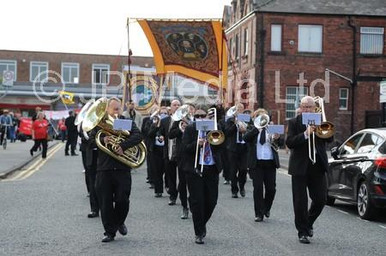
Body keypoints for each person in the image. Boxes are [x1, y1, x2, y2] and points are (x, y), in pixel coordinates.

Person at [89, 97, 143, 243]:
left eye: (118, 108)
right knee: (105, 202)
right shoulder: (99, 124)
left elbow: (138, 136)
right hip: (104, 169)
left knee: (122, 199)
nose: (116, 111)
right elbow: (90, 140)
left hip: (122, 168)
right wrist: (101, 140)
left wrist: (123, 146)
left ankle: (119, 221)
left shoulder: (126, 121)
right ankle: (109, 232)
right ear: (107, 109)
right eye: (113, 108)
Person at [286, 96, 333, 244]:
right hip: (299, 167)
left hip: (317, 166)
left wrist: (322, 128)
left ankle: (308, 222)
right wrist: (306, 134)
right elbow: (290, 142)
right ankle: (302, 232)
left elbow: (329, 139)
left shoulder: (320, 121)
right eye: (304, 106)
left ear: (315, 108)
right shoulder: (294, 122)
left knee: (320, 199)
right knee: (300, 201)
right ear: (300, 108)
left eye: (310, 107)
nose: (307, 109)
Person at [181, 104, 224, 244]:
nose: (199, 118)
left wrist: (213, 134)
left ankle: (201, 222)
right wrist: (197, 144)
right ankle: (198, 232)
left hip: (211, 168)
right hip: (195, 169)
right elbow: (184, 148)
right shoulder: (190, 129)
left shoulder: (215, 128)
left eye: (202, 115)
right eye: (197, 116)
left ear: (207, 116)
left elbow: (221, 146)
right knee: (197, 201)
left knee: (212, 201)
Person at [243, 108, 280, 222]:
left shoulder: (272, 128)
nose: (263, 119)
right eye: (260, 117)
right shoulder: (252, 129)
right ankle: (259, 213)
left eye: (264, 117)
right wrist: (257, 129)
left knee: (271, 189)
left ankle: (266, 207)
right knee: (258, 188)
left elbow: (282, 143)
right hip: (257, 163)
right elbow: (245, 138)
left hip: (270, 162)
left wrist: (277, 138)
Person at [159, 99, 181, 205]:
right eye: (174, 105)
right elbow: (160, 132)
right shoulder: (165, 120)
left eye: (178, 105)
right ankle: (172, 196)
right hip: (168, 152)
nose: (176, 106)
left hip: (181, 153)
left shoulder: (183, 120)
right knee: (170, 176)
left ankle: (182, 195)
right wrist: (160, 136)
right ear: (170, 107)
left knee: (182, 176)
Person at [224, 103, 248, 198]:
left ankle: (242, 186)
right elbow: (227, 132)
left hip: (243, 147)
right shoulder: (230, 120)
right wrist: (235, 124)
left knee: (243, 169)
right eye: (238, 109)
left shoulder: (246, 119)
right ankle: (234, 190)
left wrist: (245, 130)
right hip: (233, 148)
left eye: (241, 109)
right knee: (233, 170)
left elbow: (251, 130)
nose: (239, 111)